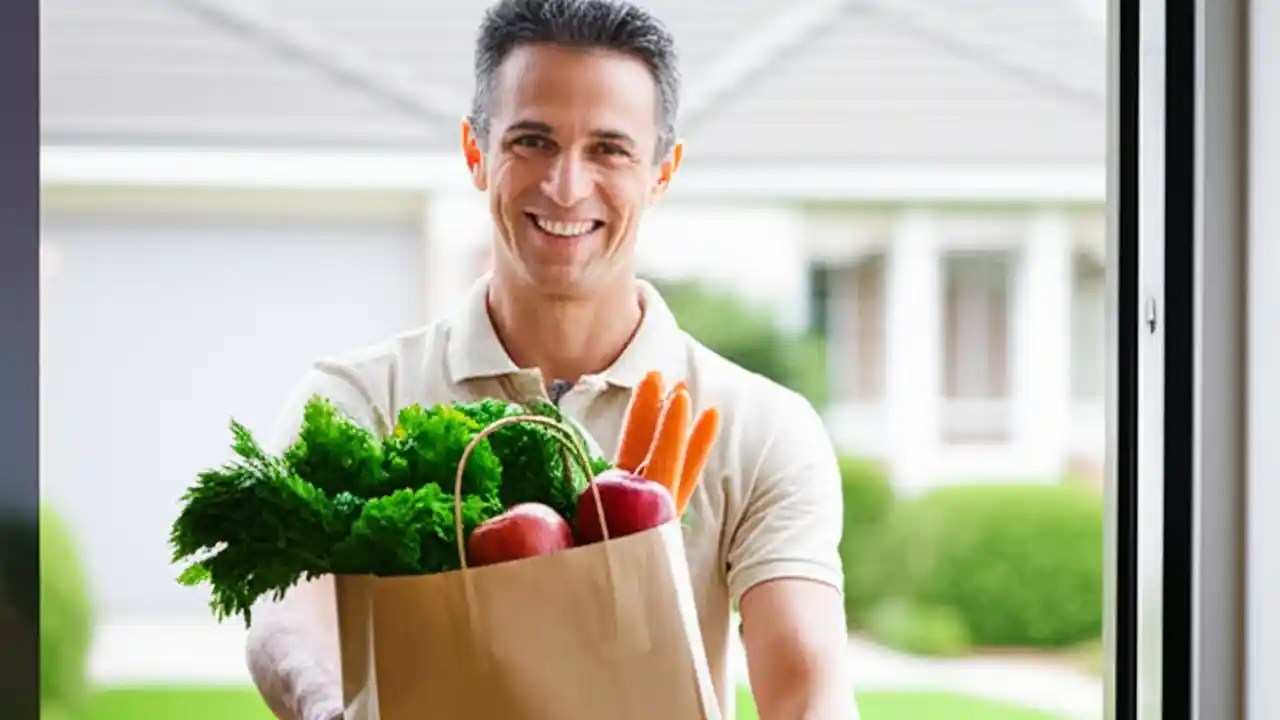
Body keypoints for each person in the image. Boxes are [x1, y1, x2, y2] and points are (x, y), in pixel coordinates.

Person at [245, 0, 855, 718]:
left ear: (662, 171)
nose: (566, 186)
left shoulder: (758, 429)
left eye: (609, 149)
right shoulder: (360, 401)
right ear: (477, 153)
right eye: (532, 141)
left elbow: (805, 685)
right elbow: (288, 611)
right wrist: (321, 706)